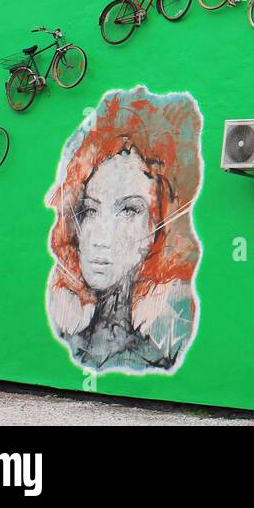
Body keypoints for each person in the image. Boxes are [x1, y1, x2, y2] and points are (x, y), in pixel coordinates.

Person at [46, 87, 202, 374]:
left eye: (130, 209)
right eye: (90, 210)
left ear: (160, 225)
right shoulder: (73, 329)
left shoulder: (160, 339)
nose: (101, 237)